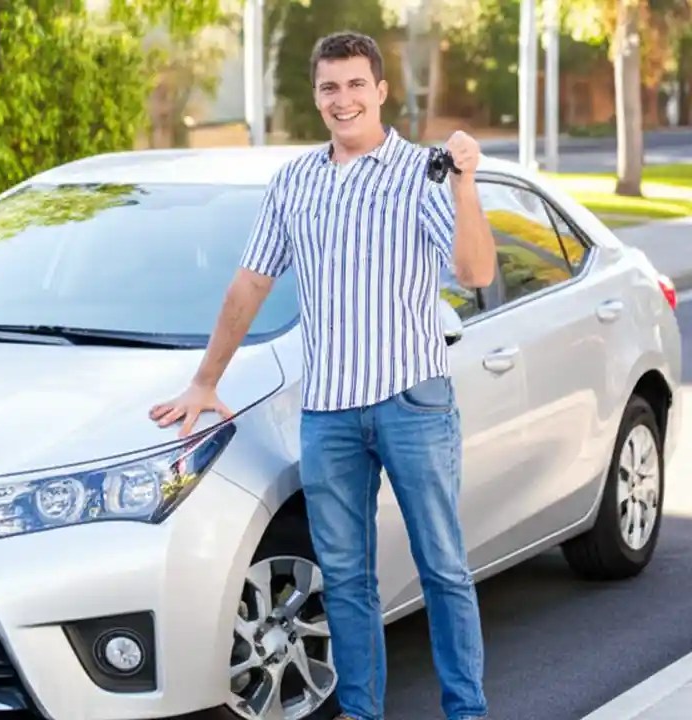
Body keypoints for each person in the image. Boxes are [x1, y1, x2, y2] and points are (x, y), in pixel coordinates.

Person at [148, 31, 496, 720]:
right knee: (344, 579)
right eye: (330, 87)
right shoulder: (296, 181)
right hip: (329, 413)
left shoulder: (420, 172)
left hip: (412, 403)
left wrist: (466, 184)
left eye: (356, 85)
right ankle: (362, 713)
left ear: (380, 91)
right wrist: (203, 382)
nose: (344, 100)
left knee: (444, 569)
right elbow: (248, 285)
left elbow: (476, 273)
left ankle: (467, 710)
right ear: (316, 95)